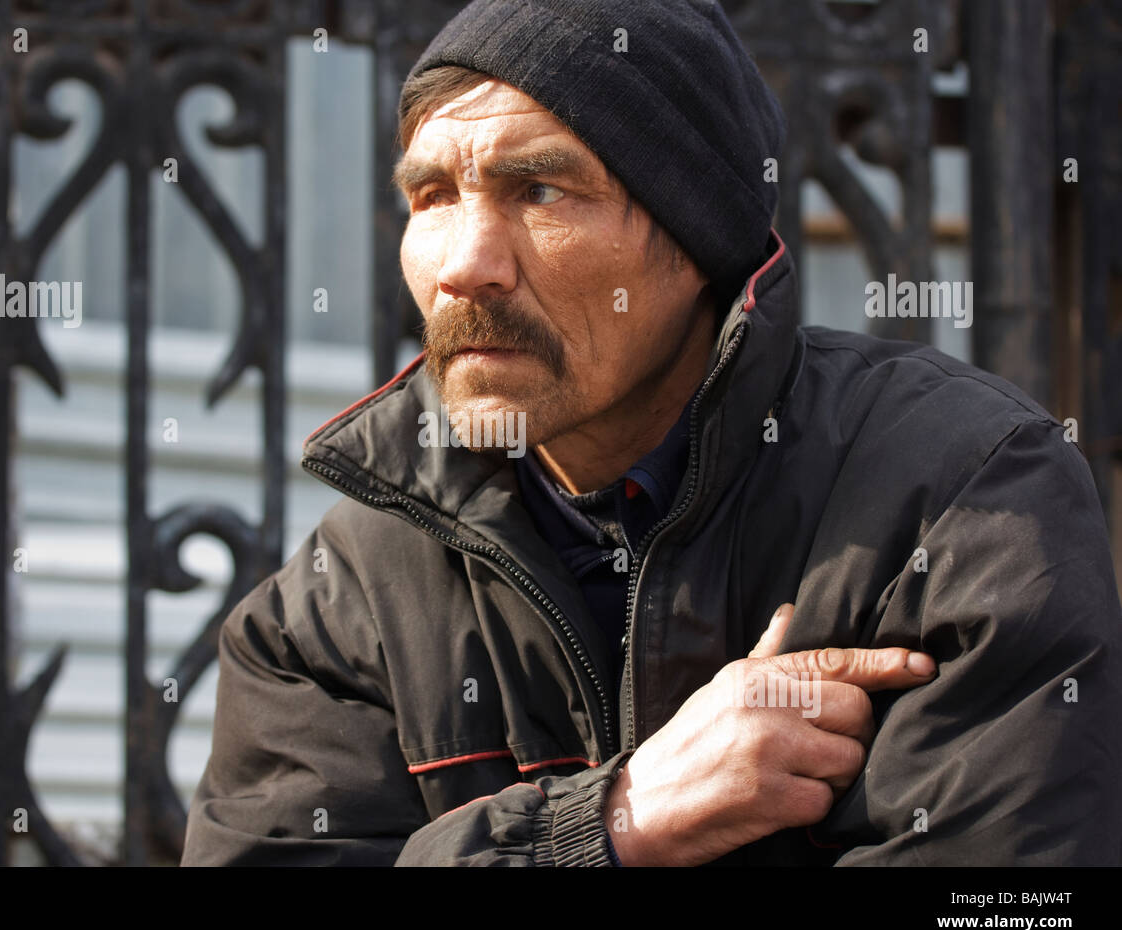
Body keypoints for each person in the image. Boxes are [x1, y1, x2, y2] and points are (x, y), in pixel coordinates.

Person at [181, 0, 1122, 866]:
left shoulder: (961, 500)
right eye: (431, 196)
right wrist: (611, 825)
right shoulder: (334, 605)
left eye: (541, 190)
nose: (464, 265)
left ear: (698, 240)